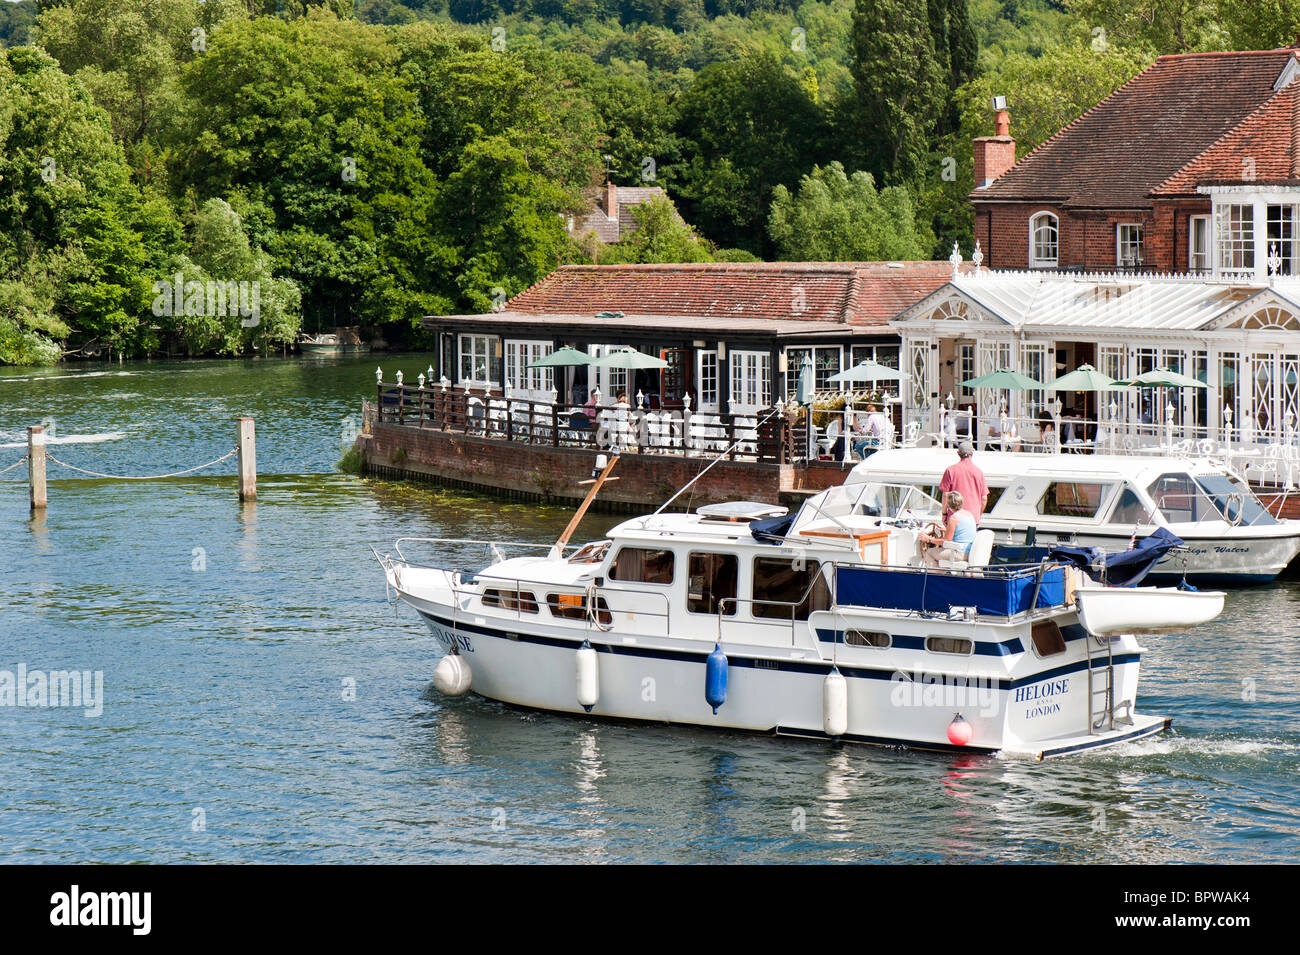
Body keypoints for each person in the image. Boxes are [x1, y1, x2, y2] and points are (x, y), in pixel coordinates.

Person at [921, 491, 978, 567]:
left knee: (929, 552)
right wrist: (946, 530)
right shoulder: (970, 515)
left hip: (959, 554)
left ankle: (934, 576)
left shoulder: (954, 518)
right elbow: (963, 531)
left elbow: (946, 541)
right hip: (970, 552)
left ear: (948, 505)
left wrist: (928, 539)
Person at [940, 441, 989, 524]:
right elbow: (984, 498)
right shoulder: (979, 472)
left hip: (955, 518)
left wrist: (944, 514)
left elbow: (946, 495)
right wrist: (978, 515)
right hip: (973, 518)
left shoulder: (950, 470)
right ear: (972, 454)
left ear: (958, 453)